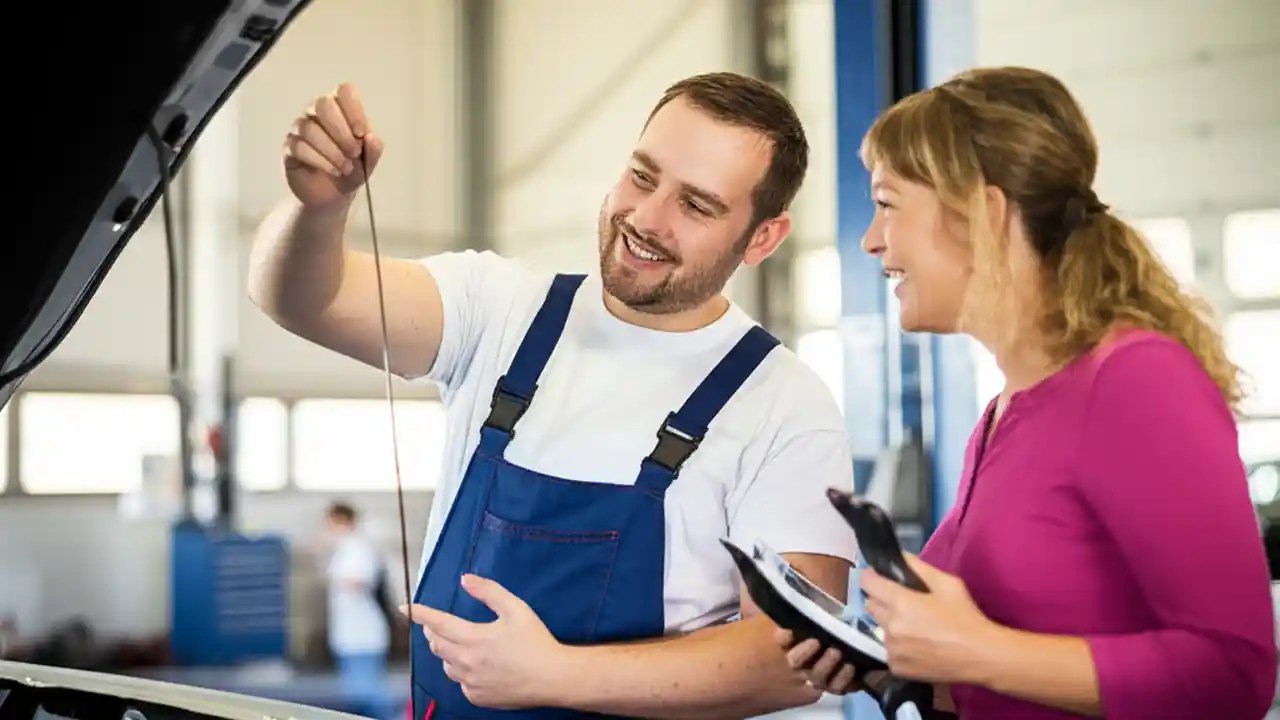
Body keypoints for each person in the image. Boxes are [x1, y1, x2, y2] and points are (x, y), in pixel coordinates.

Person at [249, 72, 857, 719]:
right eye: (643, 177)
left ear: (763, 238)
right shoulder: (499, 310)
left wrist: (557, 674)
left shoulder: (785, 405)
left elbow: (793, 657)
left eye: (696, 206)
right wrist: (317, 209)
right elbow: (299, 299)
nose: (647, 219)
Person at [777, 65, 1279, 719]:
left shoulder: (1135, 381)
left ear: (982, 211)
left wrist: (974, 651)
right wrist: (883, 657)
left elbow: (1233, 674)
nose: (872, 241)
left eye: (888, 205)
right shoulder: (1003, 413)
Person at [321, 502, 392, 719]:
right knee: (355, 695)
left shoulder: (358, 547)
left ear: (342, 521)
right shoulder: (343, 548)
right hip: (349, 633)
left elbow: (358, 581)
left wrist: (333, 574)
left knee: (367, 694)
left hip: (363, 634)